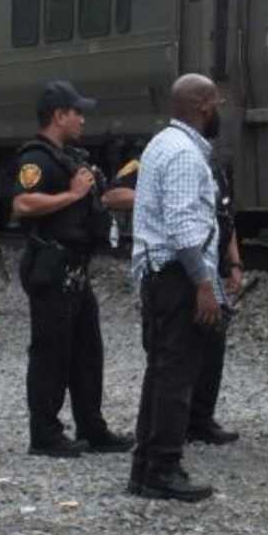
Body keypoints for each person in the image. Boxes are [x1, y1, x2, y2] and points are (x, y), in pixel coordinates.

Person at [12, 81, 132, 458]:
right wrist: (72, 196)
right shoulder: (36, 160)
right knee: (51, 353)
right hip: (51, 266)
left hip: (76, 270)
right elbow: (23, 205)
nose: (82, 118)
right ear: (58, 115)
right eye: (76, 111)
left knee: (86, 352)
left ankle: (92, 427)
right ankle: (44, 434)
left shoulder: (70, 156)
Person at [127, 74, 225, 502]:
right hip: (177, 277)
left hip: (158, 274)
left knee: (161, 372)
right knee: (177, 377)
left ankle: (145, 468)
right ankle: (164, 467)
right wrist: (204, 282)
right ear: (203, 106)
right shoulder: (185, 154)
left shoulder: (160, 144)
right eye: (216, 102)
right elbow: (185, 228)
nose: (220, 108)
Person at [108, 154, 243, 447]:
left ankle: (200, 420)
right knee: (173, 356)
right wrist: (159, 197)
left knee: (212, 346)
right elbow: (112, 195)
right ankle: (164, 436)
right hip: (177, 271)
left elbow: (224, 220)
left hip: (212, 266)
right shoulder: (159, 161)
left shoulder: (215, 166)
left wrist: (235, 264)